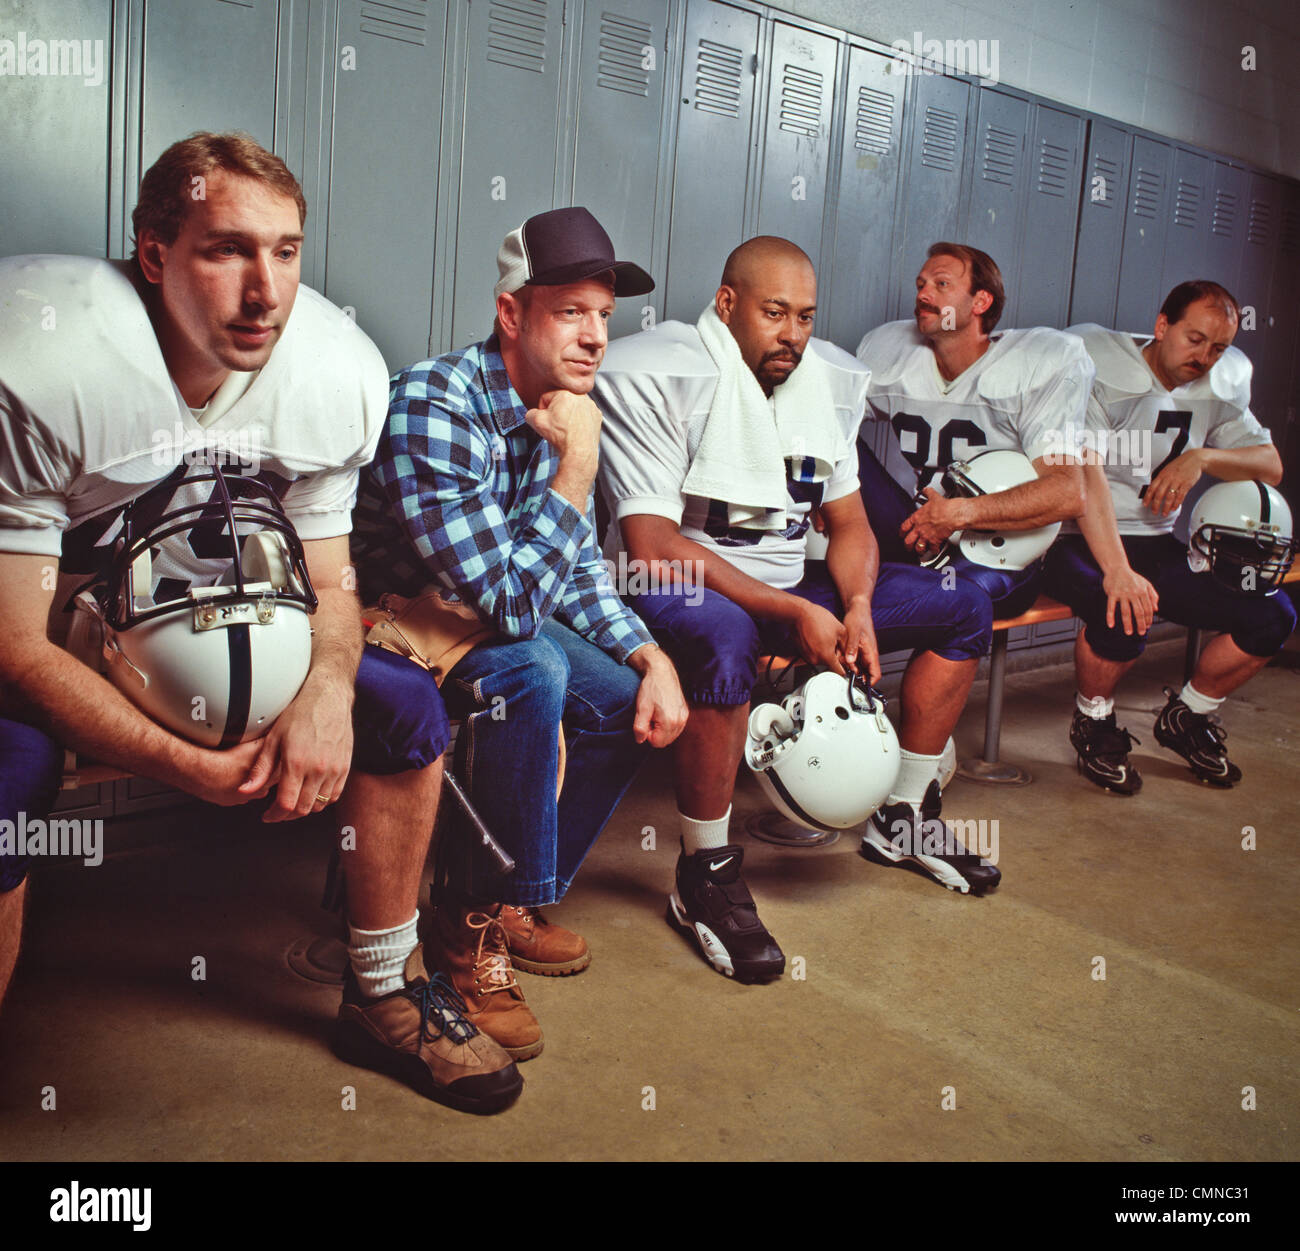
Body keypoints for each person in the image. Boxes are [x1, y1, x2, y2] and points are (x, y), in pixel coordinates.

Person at [0, 132, 524, 1115]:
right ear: (153, 255)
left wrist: (327, 691)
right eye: (226, 249)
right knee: (7, 770)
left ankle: (381, 988)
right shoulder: (40, 355)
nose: (265, 289)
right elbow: (15, 644)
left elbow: (332, 584)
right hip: (55, 626)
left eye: (284, 251)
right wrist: (186, 768)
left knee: (405, 705)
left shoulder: (329, 368)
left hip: (227, 612)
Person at [593, 236, 1001, 988]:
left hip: (790, 588)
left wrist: (854, 607)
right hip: (680, 583)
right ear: (726, 304)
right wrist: (793, 611)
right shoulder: (665, 368)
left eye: (806, 316)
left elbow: (849, 524)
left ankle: (902, 813)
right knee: (726, 634)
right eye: (774, 312)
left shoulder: (822, 381)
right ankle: (703, 871)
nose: (793, 334)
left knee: (962, 605)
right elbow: (650, 544)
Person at [351, 206, 688, 1057]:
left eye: (605, 316)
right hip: (390, 623)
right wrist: (578, 467)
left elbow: (567, 571)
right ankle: (466, 937)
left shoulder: (558, 403)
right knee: (533, 667)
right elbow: (510, 604)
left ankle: (508, 897)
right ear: (512, 314)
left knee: (618, 699)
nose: (596, 337)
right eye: (571, 311)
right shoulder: (437, 402)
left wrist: (650, 655)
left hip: (483, 613)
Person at [1042, 281, 1294, 792]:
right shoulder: (1099, 370)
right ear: (1162, 327)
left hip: (1156, 540)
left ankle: (1189, 716)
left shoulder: (1216, 389)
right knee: (1125, 610)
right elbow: (1085, 478)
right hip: (1074, 537)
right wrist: (1117, 570)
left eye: (1218, 347)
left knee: (1272, 615)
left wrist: (1201, 457)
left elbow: (1270, 465)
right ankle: (1093, 720)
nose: (1204, 357)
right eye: (1194, 339)